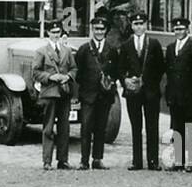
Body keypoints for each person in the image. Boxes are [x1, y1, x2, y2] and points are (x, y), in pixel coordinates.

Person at [117, 11, 165, 170]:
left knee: (152, 126)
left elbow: (160, 68)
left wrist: (148, 82)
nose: (139, 27)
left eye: (141, 24)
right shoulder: (126, 45)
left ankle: (153, 161)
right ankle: (136, 161)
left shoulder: (154, 44)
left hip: (150, 92)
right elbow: (120, 68)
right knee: (135, 127)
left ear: (146, 25)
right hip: (133, 93)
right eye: (136, 24)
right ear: (132, 26)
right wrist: (126, 80)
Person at [32, 20, 76, 171]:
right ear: (48, 33)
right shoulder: (41, 52)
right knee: (48, 128)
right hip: (49, 93)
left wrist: (68, 77)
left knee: (64, 128)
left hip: (64, 93)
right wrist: (50, 77)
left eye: (58, 33)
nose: (56, 35)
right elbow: (36, 72)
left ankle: (63, 160)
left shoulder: (67, 51)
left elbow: (74, 68)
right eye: (53, 32)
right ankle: (47, 161)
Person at [74, 15, 116, 169]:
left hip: (104, 97)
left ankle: (97, 159)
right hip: (88, 96)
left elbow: (116, 71)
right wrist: (85, 89)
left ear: (106, 31)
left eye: (102, 29)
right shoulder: (84, 49)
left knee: (101, 127)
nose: (99, 32)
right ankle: (84, 161)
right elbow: (78, 73)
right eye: (96, 29)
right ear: (92, 30)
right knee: (85, 127)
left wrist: (109, 82)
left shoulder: (111, 50)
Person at [164, 17, 192, 172]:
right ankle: (179, 160)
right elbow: (169, 72)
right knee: (177, 128)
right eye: (176, 29)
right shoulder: (170, 48)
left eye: (181, 29)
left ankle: (191, 161)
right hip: (175, 96)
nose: (178, 32)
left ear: (187, 29)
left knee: (191, 128)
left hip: (191, 97)